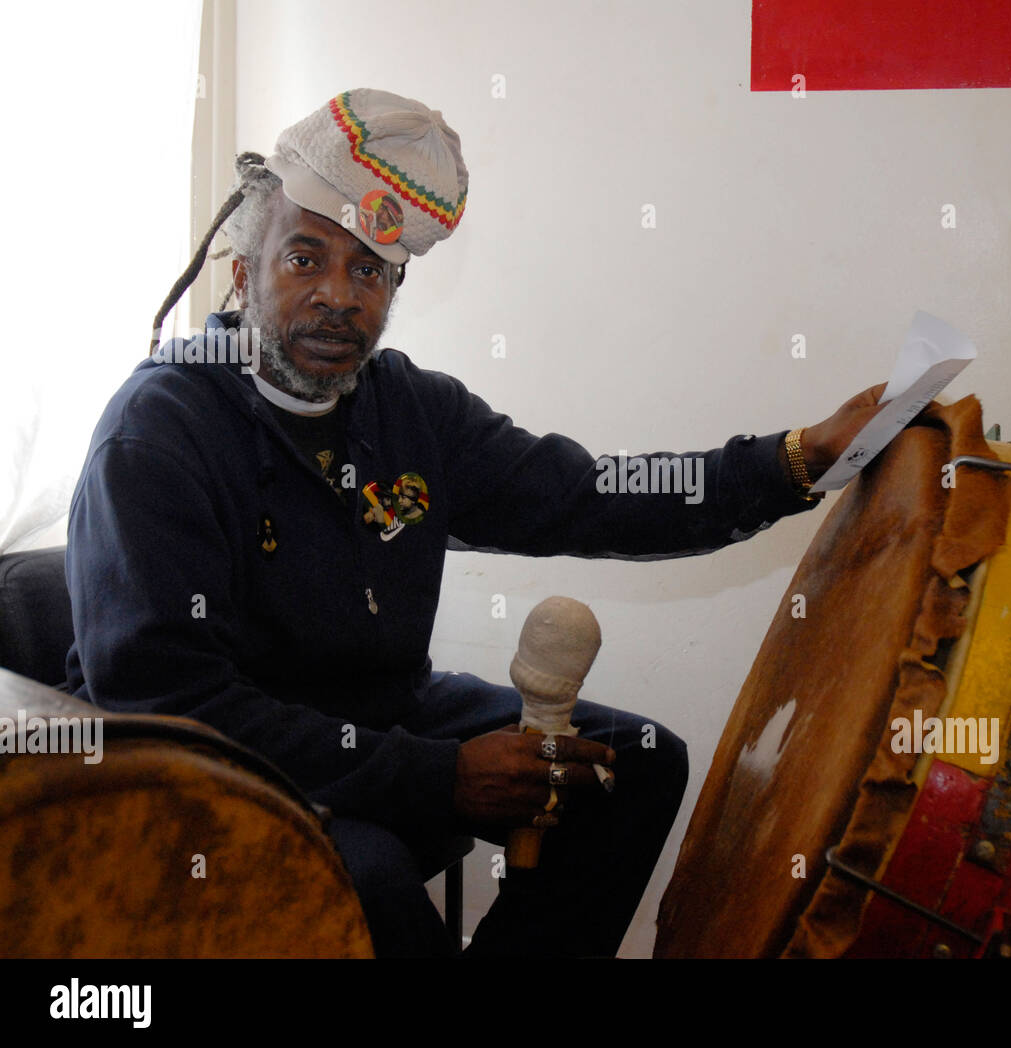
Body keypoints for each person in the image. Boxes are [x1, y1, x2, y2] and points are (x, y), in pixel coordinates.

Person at [64, 88, 887, 957]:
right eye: (305, 260)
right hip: (204, 769)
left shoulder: (409, 411)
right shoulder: (157, 433)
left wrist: (799, 459)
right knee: (372, 878)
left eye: (370, 270)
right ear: (243, 271)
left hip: (380, 715)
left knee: (634, 764)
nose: (339, 296)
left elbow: (598, 492)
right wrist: (438, 777)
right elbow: (169, 703)